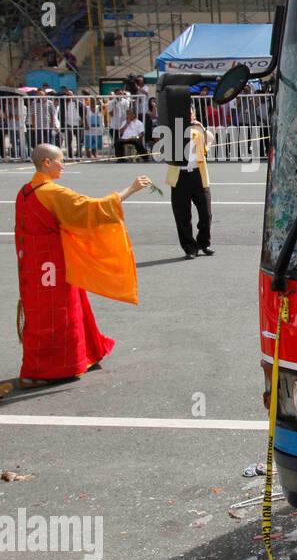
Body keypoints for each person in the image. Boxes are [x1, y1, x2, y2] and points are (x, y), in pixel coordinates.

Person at [14, 144, 148, 386]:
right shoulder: (52, 192)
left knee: (42, 314)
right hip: (53, 265)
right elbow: (92, 208)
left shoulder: (24, 192)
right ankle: (48, 369)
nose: (63, 165)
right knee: (58, 314)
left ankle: (82, 354)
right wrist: (130, 189)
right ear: (46, 163)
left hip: (32, 268)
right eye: (60, 160)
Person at [167, 108, 213, 259]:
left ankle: (204, 243)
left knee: (206, 213)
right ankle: (189, 248)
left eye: (191, 112)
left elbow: (210, 140)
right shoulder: (174, 129)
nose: (189, 116)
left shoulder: (198, 130)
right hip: (180, 176)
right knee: (182, 215)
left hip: (198, 175)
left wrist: (201, 127)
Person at [82, 95, 104, 160]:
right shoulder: (86, 108)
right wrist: (85, 124)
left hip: (98, 128)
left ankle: (94, 154)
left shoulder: (99, 107)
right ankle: (88, 155)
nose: (93, 102)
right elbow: (83, 117)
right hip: (89, 129)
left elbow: (102, 108)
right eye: (91, 100)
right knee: (88, 142)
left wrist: (100, 101)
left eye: (94, 100)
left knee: (96, 143)